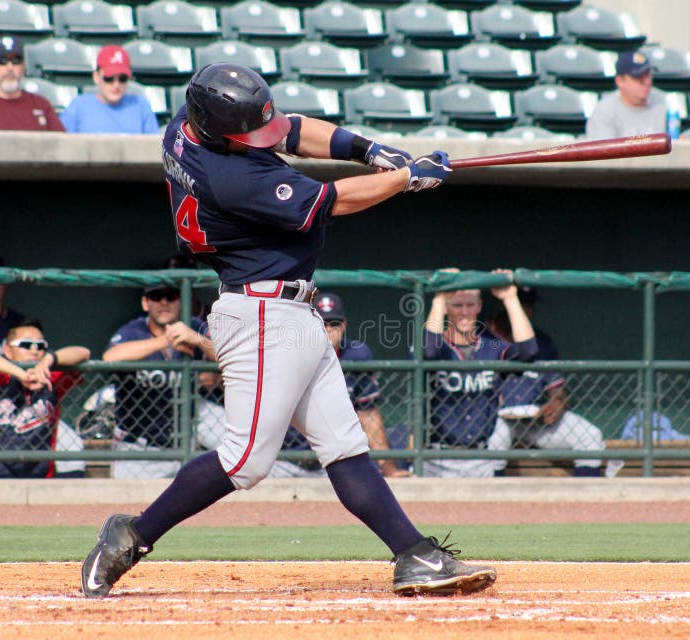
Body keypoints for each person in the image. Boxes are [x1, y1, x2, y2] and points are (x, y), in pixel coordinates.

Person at [81, 62, 493, 600]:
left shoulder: (189, 123)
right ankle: (131, 535)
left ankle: (413, 553)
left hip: (289, 311)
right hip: (260, 316)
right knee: (246, 460)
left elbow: (292, 130)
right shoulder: (233, 179)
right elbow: (334, 201)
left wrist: (371, 151)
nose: (263, 134)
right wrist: (405, 179)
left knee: (345, 447)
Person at [102, 263, 226, 479]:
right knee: (128, 498)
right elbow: (110, 357)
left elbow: (226, 355)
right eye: (157, 296)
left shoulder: (193, 325)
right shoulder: (134, 330)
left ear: (181, 301)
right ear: (145, 303)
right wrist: (165, 341)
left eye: (171, 296)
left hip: (184, 438)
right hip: (138, 446)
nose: (164, 302)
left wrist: (197, 340)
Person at [269, 292, 410, 478]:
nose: (328, 329)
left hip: (332, 463)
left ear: (343, 325)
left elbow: (368, 414)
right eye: (321, 323)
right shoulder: (288, 355)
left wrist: (388, 467)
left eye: (334, 323)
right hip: (282, 460)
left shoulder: (356, 355)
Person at [420, 272, 538, 477]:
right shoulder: (435, 346)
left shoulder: (492, 347)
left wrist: (510, 298)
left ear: (479, 307)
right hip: (436, 456)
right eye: (457, 305)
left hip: (481, 456)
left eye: (470, 305)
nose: (464, 312)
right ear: (446, 308)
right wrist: (439, 298)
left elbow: (529, 351)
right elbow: (428, 352)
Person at [487, 288, 607, 477]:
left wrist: (557, 403)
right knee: (496, 441)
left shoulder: (542, 342)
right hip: (493, 419)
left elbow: (557, 390)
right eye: (521, 304)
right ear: (504, 303)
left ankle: (585, 494)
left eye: (529, 305)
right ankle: (491, 495)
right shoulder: (483, 338)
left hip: (532, 419)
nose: (527, 311)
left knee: (590, 437)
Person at [0, 319, 89, 478]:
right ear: (8, 351)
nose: (34, 351)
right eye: (26, 344)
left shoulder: (50, 379)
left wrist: (48, 360)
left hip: (37, 477)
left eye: (40, 346)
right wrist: (22, 374)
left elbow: (83, 352)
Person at [0, 35, 65, 131]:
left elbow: (62, 143)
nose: (10, 68)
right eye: (2, 61)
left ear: (24, 67)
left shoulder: (41, 105)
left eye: (16, 61)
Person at [60, 45, 159, 134]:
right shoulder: (78, 107)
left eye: (122, 78)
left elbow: (154, 145)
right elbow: (61, 144)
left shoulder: (140, 105)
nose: (116, 85)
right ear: (96, 77)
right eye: (109, 78)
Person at [585, 49, 667, 140]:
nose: (647, 82)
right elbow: (603, 148)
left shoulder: (661, 104)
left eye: (648, 75)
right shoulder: (605, 111)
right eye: (638, 77)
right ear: (620, 81)